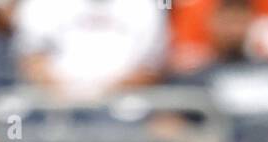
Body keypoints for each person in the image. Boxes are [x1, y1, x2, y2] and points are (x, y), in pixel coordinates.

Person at [14, 0, 166, 99]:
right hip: (54, 102)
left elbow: (151, 68)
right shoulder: (41, 4)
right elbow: (31, 60)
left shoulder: (144, 6)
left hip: (122, 101)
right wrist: (66, 95)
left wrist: (100, 97)